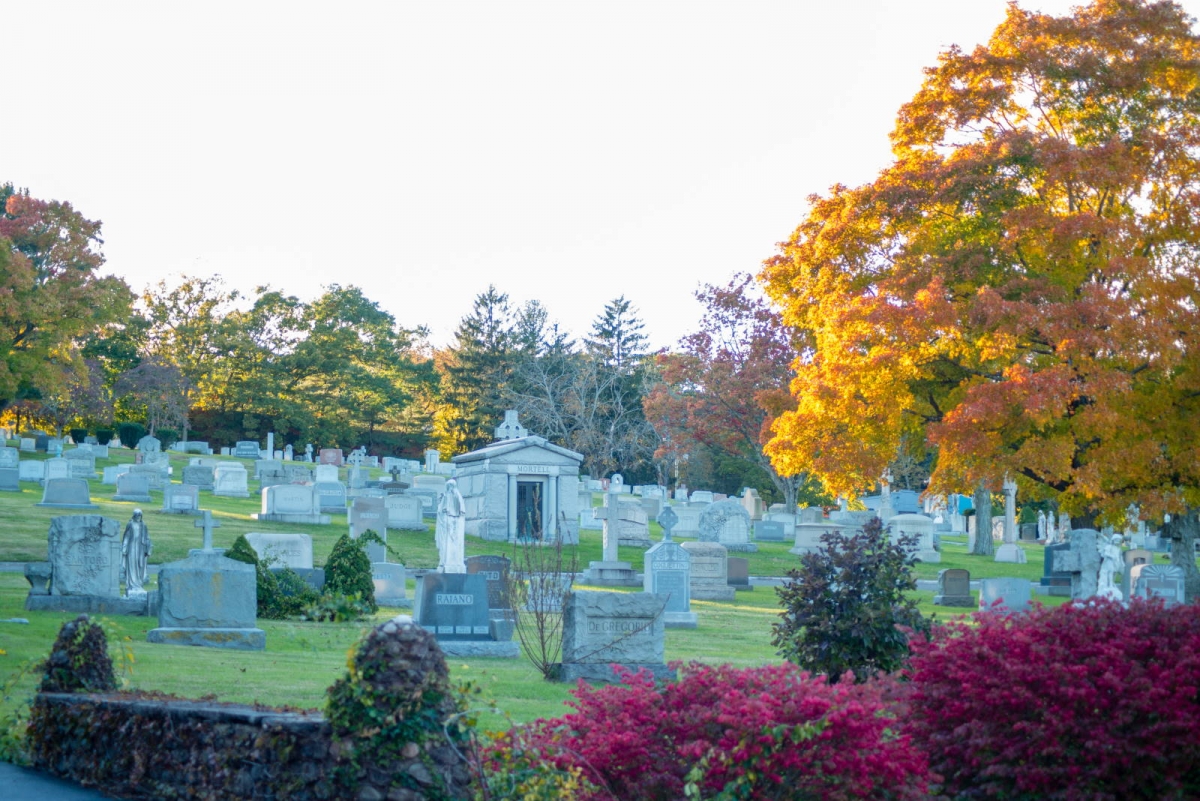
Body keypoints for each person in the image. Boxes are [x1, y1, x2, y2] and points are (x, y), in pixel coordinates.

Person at [436, 479, 466, 573]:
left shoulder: (457, 496)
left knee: (454, 546)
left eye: (451, 486)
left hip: (455, 522)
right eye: (448, 486)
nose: (450, 488)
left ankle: (455, 563)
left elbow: (461, 510)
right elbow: (440, 511)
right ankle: (445, 562)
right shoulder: (445, 496)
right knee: (446, 545)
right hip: (446, 521)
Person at [122, 509, 152, 597]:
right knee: (131, 565)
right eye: (137, 516)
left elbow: (147, 537)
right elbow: (126, 537)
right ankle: (131, 585)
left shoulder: (143, 525)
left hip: (140, 548)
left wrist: (148, 548)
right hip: (131, 547)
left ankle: (138, 585)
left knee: (140, 566)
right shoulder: (130, 524)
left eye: (140, 516)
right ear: (134, 516)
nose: (138, 517)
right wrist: (124, 547)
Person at [1097, 533, 1123, 601]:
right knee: (1110, 572)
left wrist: (1121, 562)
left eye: (1118, 540)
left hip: (1115, 563)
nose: (1117, 541)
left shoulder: (1118, 549)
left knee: (1113, 573)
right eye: (1116, 540)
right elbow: (1105, 553)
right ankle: (1109, 584)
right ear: (1113, 540)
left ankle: (1112, 584)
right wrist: (1112, 556)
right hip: (1109, 562)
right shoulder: (1109, 546)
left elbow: (1119, 556)